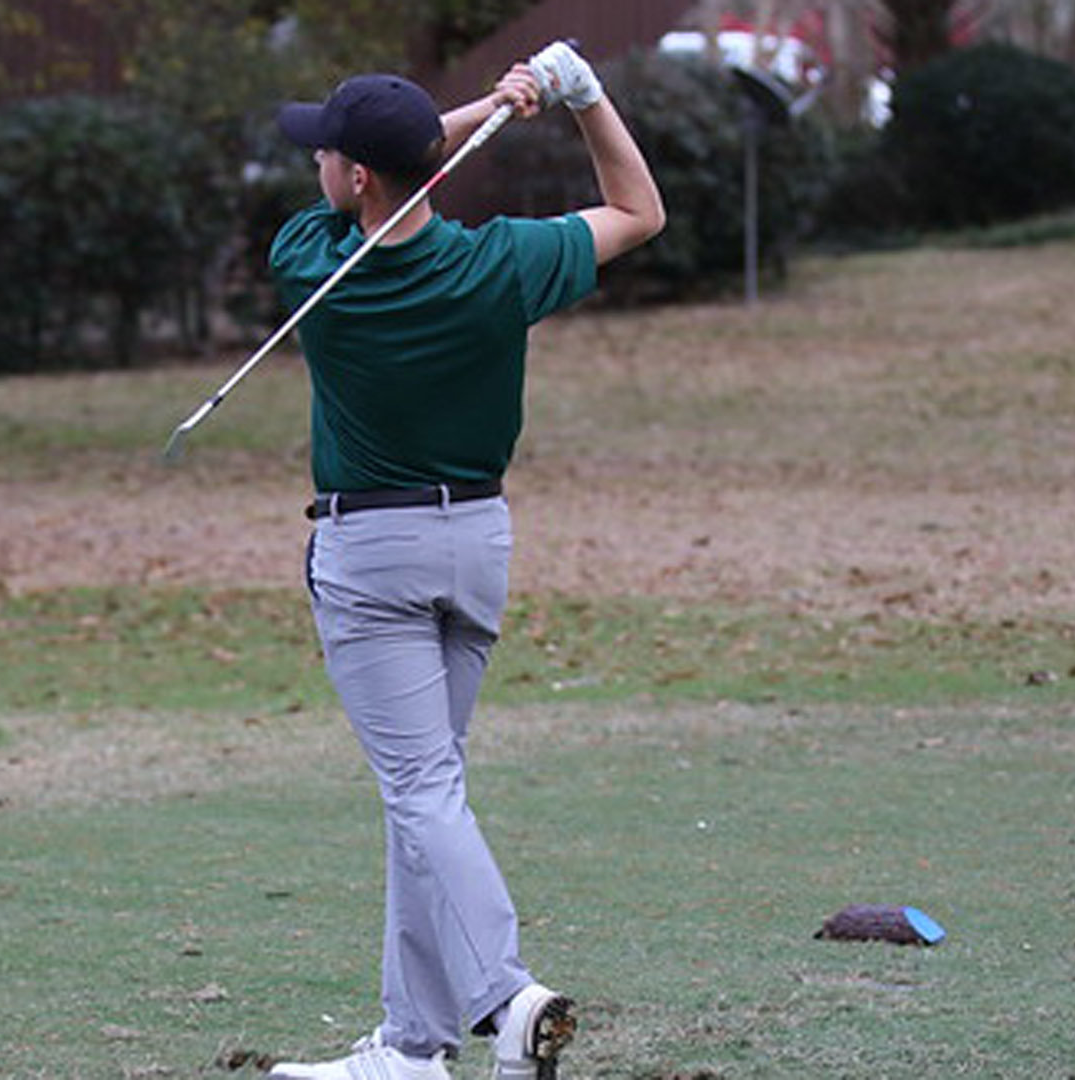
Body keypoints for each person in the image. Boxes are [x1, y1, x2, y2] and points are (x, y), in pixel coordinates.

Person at [264, 41, 664, 1080]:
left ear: (352, 176)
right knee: (425, 794)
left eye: (330, 154)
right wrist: (578, 99)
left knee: (420, 792)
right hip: (477, 543)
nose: (318, 167)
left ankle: (507, 996)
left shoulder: (314, 264)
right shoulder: (504, 262)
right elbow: (638, 212)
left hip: (371, 553)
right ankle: (409, 1048)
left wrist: (484, 105)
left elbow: (395, 170)